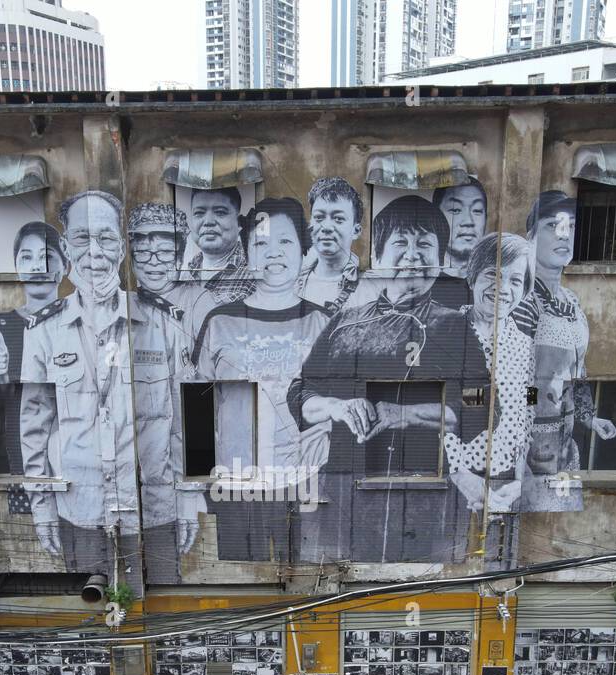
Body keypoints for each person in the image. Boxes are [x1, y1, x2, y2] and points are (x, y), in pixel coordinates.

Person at [286, 195, 470, 564]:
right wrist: (336, 407)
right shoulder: (347, 321)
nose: (413, 255)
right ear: (380, 257)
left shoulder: (455, 325)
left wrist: (400, 413)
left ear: (441, 259)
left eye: (425, 245)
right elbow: (299, 392)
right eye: (401, 243)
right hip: (341, 494)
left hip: (426, 498)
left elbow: (478, 409)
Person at [192, 197, 332, 560]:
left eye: (285, 241)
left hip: (305, 486)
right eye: (262, 243)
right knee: (245, 591)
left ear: (305, 250)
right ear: (248, 253)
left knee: (306, 590)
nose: (274, 254)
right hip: (236, 488)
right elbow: (198, 409)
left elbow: (338, 406)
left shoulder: (323, 323)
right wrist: (202, 486)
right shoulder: (219, 322)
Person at [18, 190, 140, 571]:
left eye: (105, 239)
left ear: (120, 249)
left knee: (155, 616)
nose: (95, 252)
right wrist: (42, 508)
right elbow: (34, 430)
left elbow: (181, 425)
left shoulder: (157, 324)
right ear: (68, 249)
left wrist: (187, 503)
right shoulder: (43, 333)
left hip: (145, 513)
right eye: (83, 239)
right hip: (79, 511)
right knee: (90, 613)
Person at [520, 190, 616, 513]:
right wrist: (531, 411)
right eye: (552, 225)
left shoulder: (573, 303)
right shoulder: (520, 299)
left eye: (571, 226)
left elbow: (577, 372)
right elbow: (517, 377)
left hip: (564, 443)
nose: (564, 235)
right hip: (530, 444)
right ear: (530, 235)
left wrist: (589, 418)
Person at [125, 202, 207, 573]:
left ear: (180, 252)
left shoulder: (194, 310)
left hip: (160, 504)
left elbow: (197, 411)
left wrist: (189, 495)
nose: (153, 260)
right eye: (143, 250)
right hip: (103, 502)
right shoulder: (111, 311)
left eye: (165, 251)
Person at [445, 232, 539, 516]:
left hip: (506, 484)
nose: (503, 288)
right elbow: (434, 415)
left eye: (514, 280)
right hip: (451, 480)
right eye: (492, 274)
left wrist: (519, 480)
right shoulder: (444, 334)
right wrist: (459, 474)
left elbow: (529, 411)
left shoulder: (525, 348)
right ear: (472, 277)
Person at [0, 221, 66, 516]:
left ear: (63, 265)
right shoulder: (2, 326)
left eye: (46, 256)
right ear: (16, 267)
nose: (37, 266)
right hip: (20, 449)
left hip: (69, 451)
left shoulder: (76, 322)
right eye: (26, 257)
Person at [296, 177, 362, 313]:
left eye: (338, 219)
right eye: (319, 217)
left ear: (356, 231)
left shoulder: (368, 286)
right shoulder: (290, 282)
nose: (326, 227)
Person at [184, 186, 255, 304]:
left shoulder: (253, 273)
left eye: (220, 212)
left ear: (239, 222)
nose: (208, 221)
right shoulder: (186, 271)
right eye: (199, 213)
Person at [430, 178, 488, 308]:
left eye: (477, 211)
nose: (468, 221)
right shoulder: (419, 286)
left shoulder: (494, 287)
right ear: (435, 217)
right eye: (455, 210)